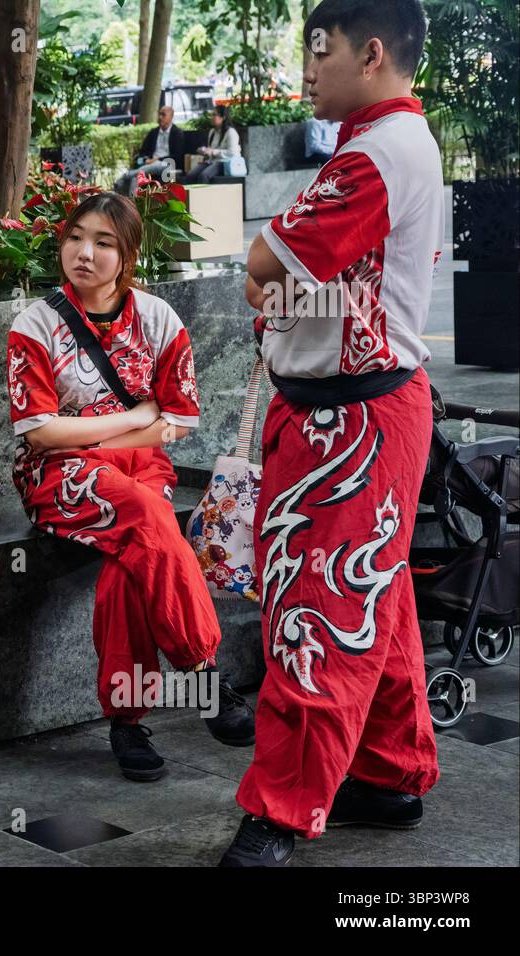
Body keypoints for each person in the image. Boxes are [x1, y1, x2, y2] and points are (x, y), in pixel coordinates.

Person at [222, 0, 443, 867]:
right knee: (370, 597)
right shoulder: (381, 143)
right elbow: (281, 280)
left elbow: (263, 268)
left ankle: (282, 810)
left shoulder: (381, 151)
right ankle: (388, 773)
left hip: (352, 417)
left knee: (321, 613)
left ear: (374, 52)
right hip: (348, 408)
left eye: (321, 52)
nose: (308, 70)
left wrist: (269, 274)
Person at [6, 192, 255, 784]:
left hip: (140, 467)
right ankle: (201, 671)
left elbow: (175, 421)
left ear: (129, 255)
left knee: (127, 571)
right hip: (57, 476)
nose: (84, 253)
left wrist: (99, 436)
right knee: (145, 516)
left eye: (103, 243)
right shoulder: (35, 324)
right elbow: (41, 433)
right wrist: (130, 420)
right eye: (75, 238)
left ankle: (126, 723)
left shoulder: (158, 318)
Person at [114, 106, 187, 196]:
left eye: (163, 115)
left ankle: (127, 175)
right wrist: (146, 160)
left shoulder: (177, 133)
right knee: (136, 178)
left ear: (171, 116)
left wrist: (157, 159)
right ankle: (132, 203)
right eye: (159, 114)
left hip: (168, 163)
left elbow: (178, 156)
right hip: (151, 163)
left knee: (141, 171)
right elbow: (143, 151)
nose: (160, 117)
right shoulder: (153, 133)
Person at [185, 105, 242, 184]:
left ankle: (205, 195)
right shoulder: (212, 132)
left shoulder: (231, 132)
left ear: (223, 117)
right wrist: (204, 152)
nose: (211, 117)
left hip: (224, 163)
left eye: (214, 115)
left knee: (204, 175)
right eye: (211, 115)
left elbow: (233, 153)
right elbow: (211, 151)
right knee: (191, 175)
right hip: (211, 161)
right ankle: (191, 195)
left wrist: (213, 152)